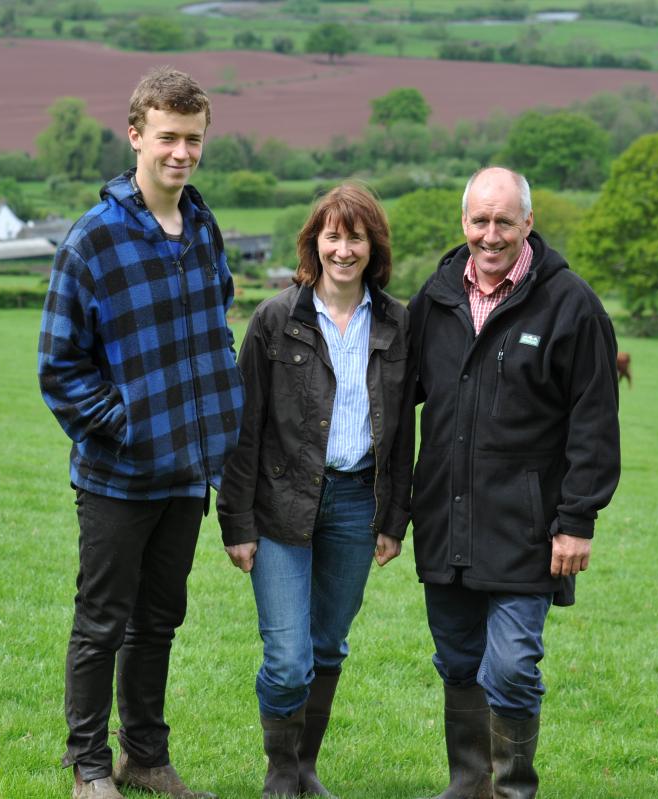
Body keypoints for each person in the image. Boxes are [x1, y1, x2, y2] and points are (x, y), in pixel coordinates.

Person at [38, 66, 244, 799]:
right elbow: (59, 367)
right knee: (102, 621)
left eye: (193, 139)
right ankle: (90, 767)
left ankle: (146, 759)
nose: (181, 152)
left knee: (159, 620)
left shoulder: (204, 226)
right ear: (135, 135)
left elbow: (216, 330)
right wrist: (129, 428)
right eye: (167, 137)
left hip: (188, 472)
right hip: (118, 476)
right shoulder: (92, 242)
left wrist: (207, 420)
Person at [404, 166, 621, 799]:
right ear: (463, 223)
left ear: (528, 223)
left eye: (504, 221)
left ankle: (512, 791)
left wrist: (578, 520)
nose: (490, 234)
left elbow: (595, 421)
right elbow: (398, 399)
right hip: (445, 521)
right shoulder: (437, 298)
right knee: (458, 662)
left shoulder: (569, 303)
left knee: (513, 668)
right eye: (480, 220)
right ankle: (468, 785)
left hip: (527, 528)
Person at [217, 182, 412, 798]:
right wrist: (237, 524)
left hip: (358, 505)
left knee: (328, 645)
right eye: (333, 235)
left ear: (372, 246)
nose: (344, 249)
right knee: (288, 658)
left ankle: (305, 768)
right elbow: (245, 430)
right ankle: (280, 772)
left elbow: (405, 428)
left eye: (356, 236)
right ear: (315, 243)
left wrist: (393, 519)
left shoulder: (399, 323)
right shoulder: (276, 318)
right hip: (281, 505)